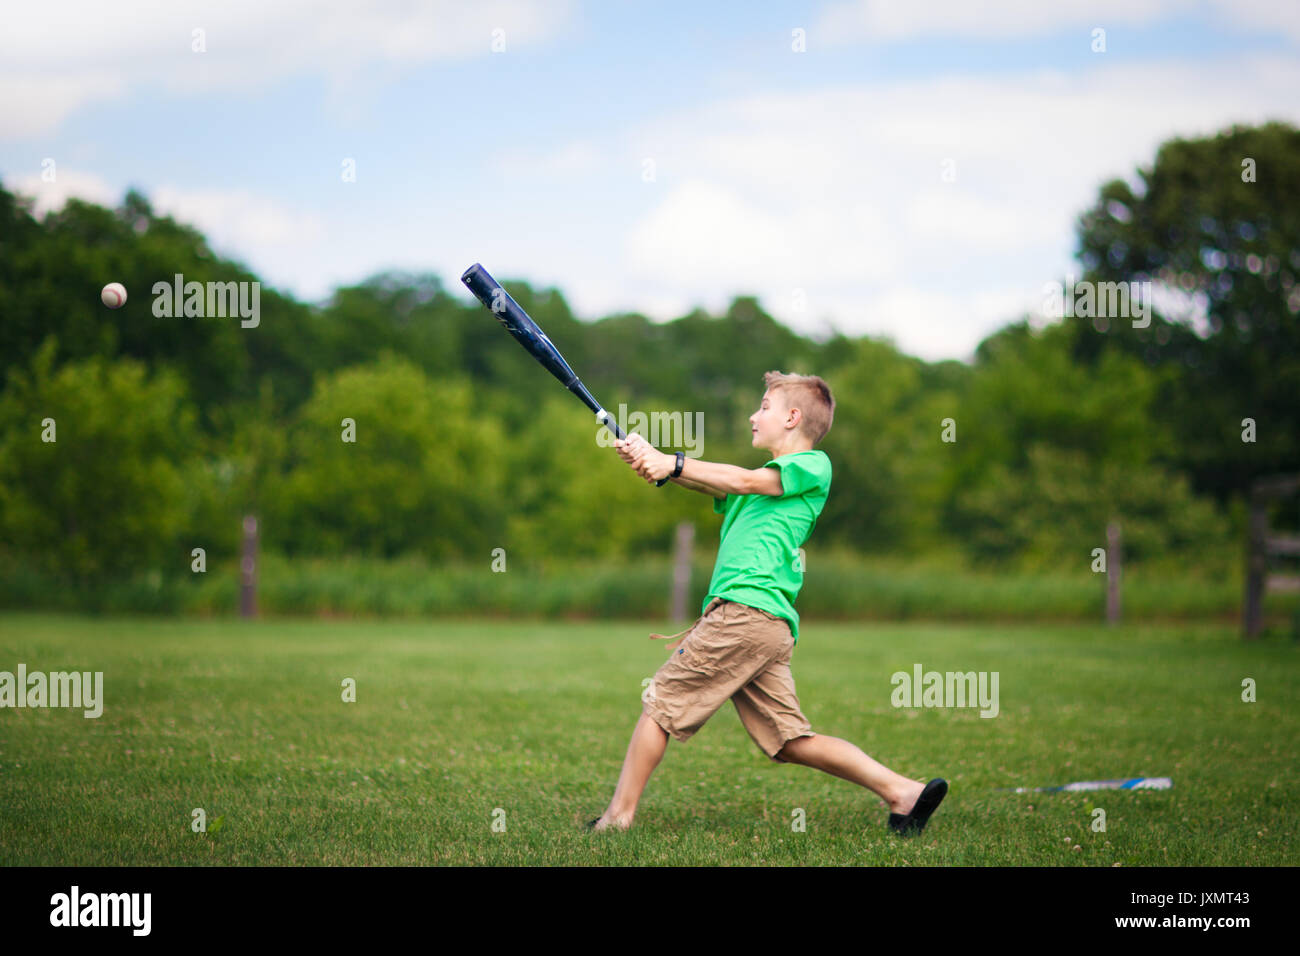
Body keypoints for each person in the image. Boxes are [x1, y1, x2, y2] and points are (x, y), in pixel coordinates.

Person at [588, 370, 947, 836]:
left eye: (763, 407)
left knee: (660, 706)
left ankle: (618, 817)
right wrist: (652, 462)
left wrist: (670, 461)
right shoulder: (758, 484)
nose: (753, 416)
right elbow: (715, 484)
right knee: (788, 741)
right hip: (765, 626)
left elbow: (738, 479)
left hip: (743, 615)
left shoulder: (812, 466)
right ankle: (904, 792)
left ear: (793, 417)